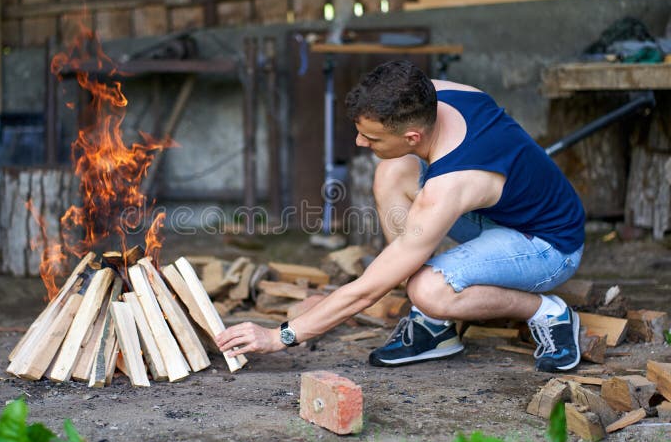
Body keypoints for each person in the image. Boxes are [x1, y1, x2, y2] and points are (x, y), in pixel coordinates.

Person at [216, 60, 586, 373]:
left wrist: (281, 335)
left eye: (371, 138)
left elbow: (368, 290)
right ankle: (433, 325)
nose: (361, 143)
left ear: (412, 135)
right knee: (391, 172)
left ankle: (547, 312)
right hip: (496, 214)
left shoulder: (451, 185)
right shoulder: (434, 94)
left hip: (547, 246)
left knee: (427, 289)